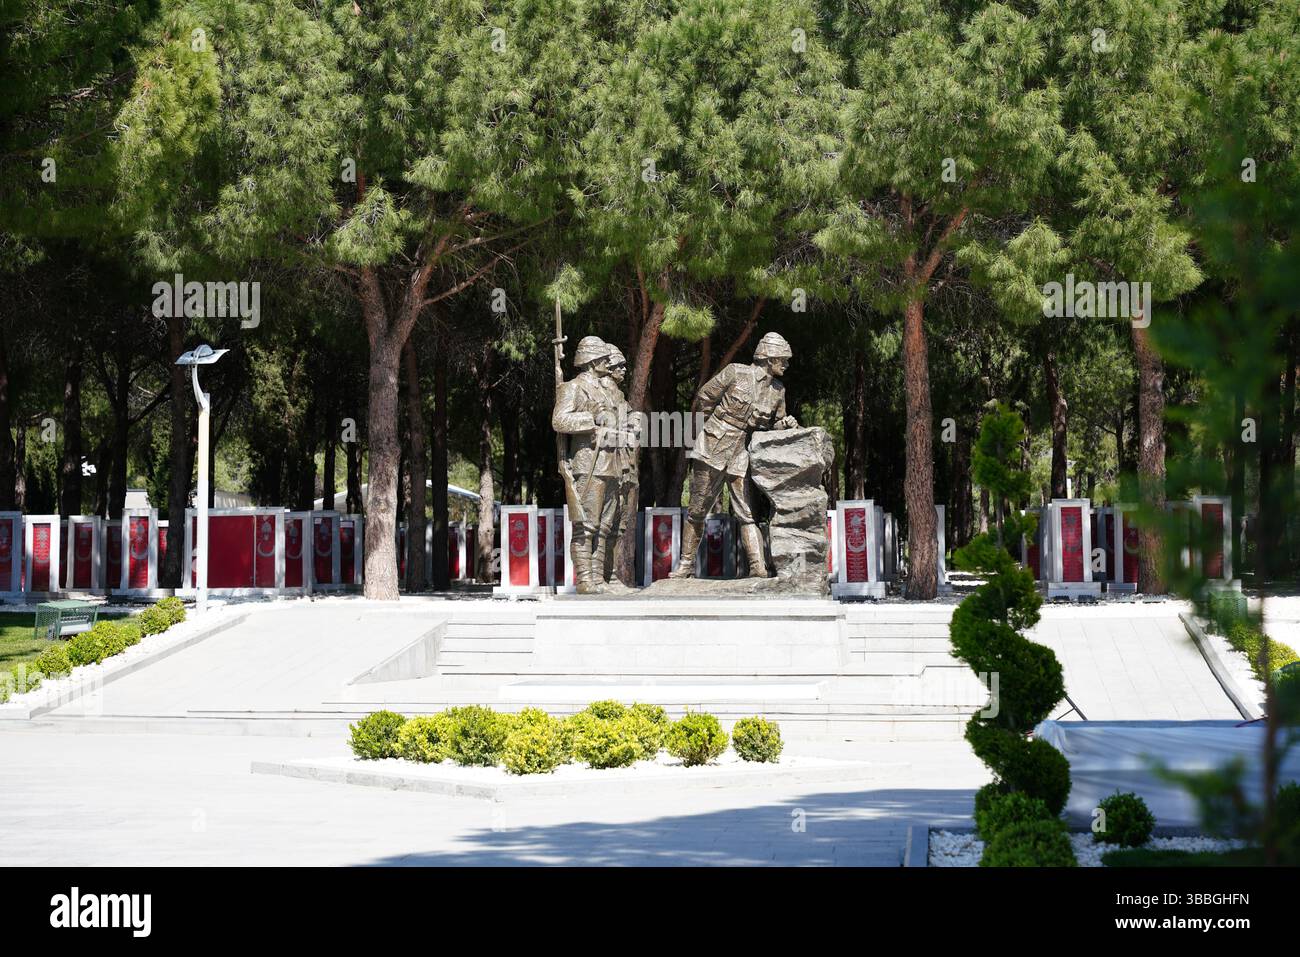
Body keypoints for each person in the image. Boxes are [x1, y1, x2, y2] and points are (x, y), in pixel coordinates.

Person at [670, 331, 798, 579]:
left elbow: (776, 424)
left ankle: (757, 567)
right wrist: (716, 425)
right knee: (697, 511)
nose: (786, 364)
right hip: (713, 447)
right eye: (783, 359)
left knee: (747, 513)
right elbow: (705, 397)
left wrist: (785, 424)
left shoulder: (777, 390)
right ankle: (685, 565)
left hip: (741, 452)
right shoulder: (736, 372)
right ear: (769, 358)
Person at [552, 336, 621, 593]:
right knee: (585, 526)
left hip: (610, 462)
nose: (608, 362)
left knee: (603, 526)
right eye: (604, 358)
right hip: (587, 462)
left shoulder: (606, 389)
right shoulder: (573, 387)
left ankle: (597, 578)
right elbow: (559, 421)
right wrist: (591, 417)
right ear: (593, 361)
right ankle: (584, 580)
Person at [593, 344, 640, 586]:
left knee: (618, 525)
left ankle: (610, 576)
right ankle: (596, 577)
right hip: (607, 462)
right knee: (603, 522)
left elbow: (628, 417)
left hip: (624, 462)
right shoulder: (598, 392)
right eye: (618, 366)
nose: (623, 369)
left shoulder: (618, 395)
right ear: (607, 368)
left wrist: (634, 419)